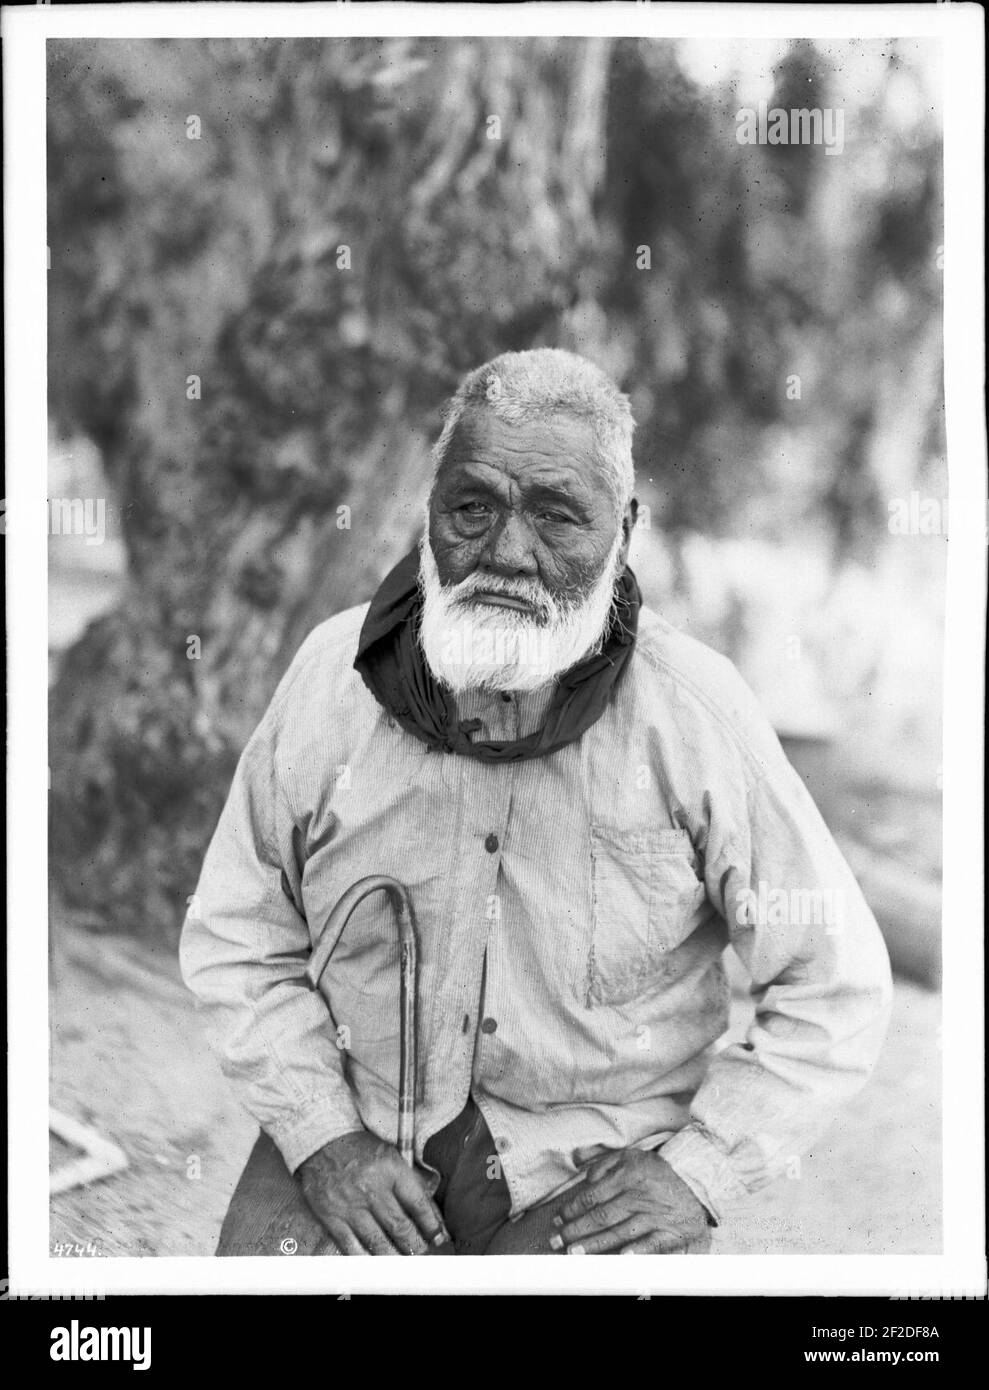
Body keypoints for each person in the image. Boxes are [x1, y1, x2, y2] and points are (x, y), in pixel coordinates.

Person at [180, 348, 893, 1256]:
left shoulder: (693, 713)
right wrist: (321, 1135)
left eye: (556, 516)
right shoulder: (332, 676)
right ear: (428, 508)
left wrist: (697, 1173)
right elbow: (236, 930)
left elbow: (835, 982)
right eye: (472, 508)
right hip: (358, 1136)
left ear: (623, 529)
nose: (508, 552)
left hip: (586, 1171)